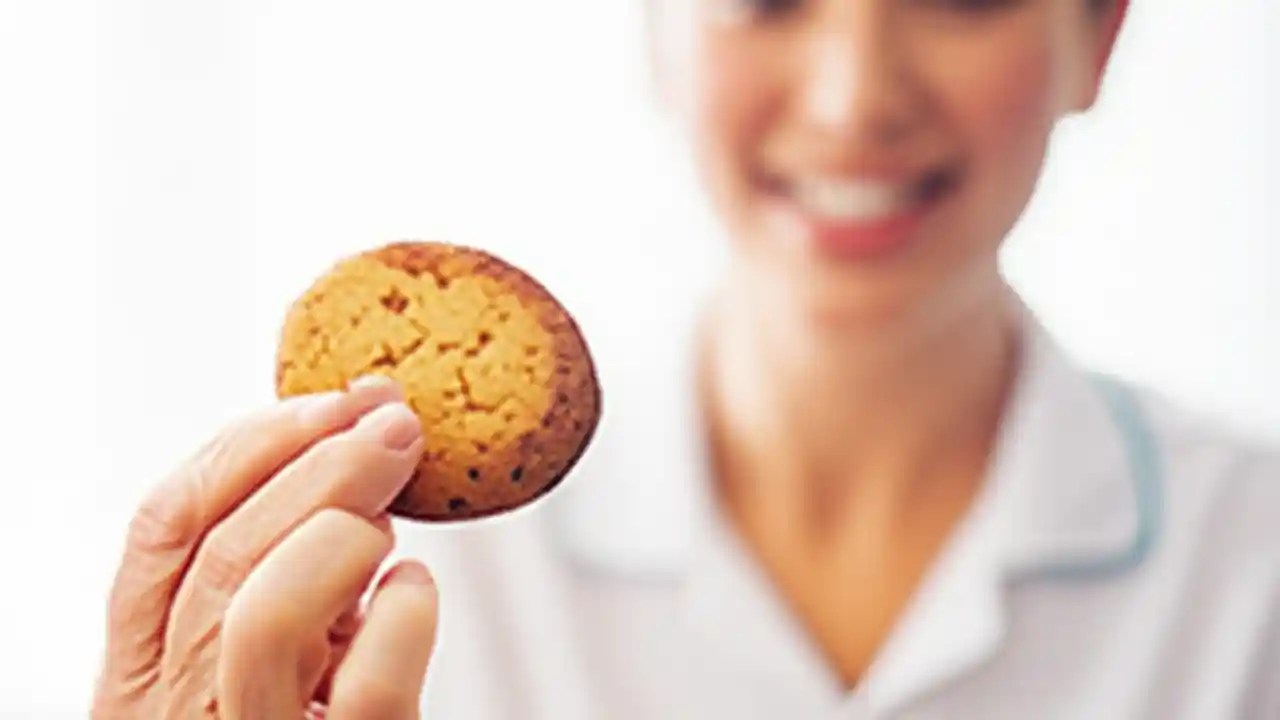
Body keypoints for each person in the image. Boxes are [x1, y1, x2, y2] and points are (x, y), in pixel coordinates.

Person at [93, 0, 1280, 717]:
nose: (851, 98)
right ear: (655, 31)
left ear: (1098, 34)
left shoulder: (1253, 569)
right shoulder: (374, 603)